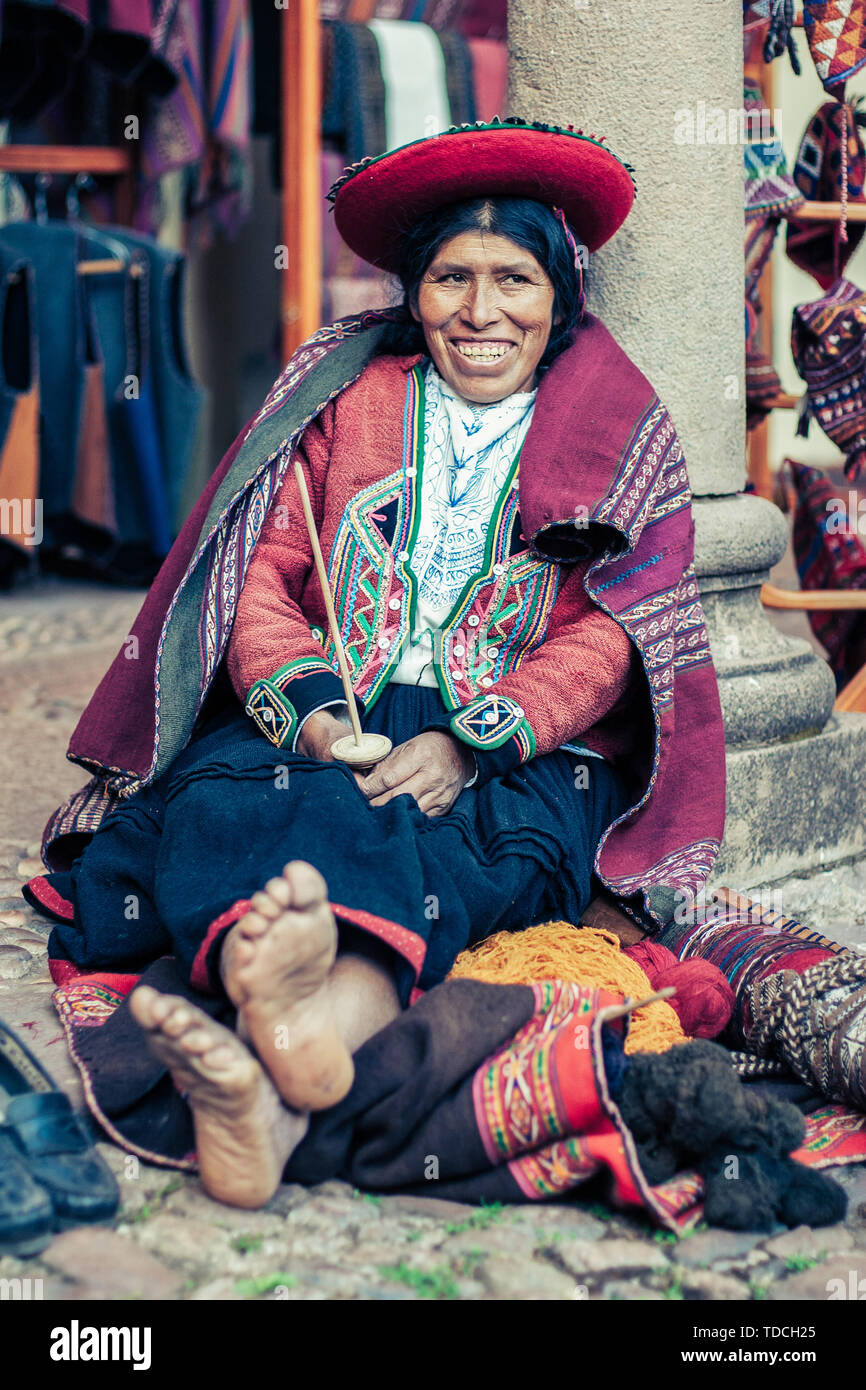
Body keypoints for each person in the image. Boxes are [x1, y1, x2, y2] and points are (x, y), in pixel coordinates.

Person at [34, 120, 728, 1207]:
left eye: (513, 278)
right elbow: (258, 575)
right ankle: (295, 1043)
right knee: (238, 800)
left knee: (429, 839)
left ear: (560, 293)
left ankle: (290, 1028)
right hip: (327, 713)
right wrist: (309, 717)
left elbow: (610, 633)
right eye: (451, 276)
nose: (481, 309)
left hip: (506, 747)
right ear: (414, 289)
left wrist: (468, 737)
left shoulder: (618, 426)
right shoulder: (344, 395)